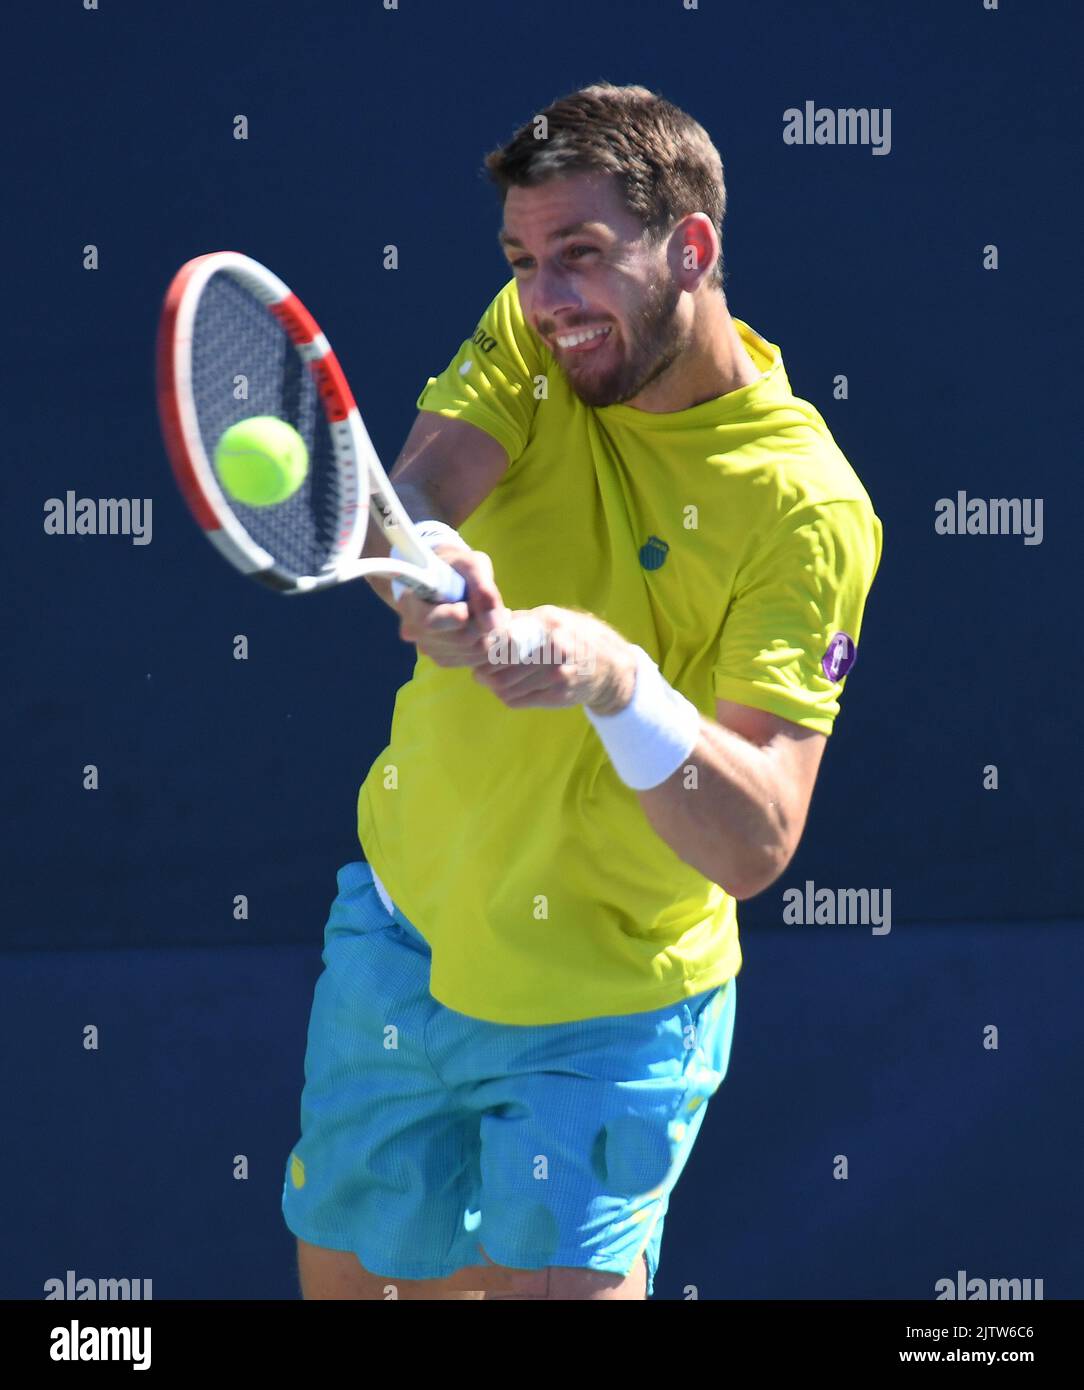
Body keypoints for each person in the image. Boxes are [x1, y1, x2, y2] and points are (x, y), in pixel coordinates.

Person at [282, 81, 883, 1300]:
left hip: (608, 1012)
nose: (546, 297)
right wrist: (429, 559)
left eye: (581, 256)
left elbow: (757, 838)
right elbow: (420, 494)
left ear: (691, 248)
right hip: (403, 945)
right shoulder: (531, 335)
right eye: (520, 259)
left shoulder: (808, 509)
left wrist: (611, 678)